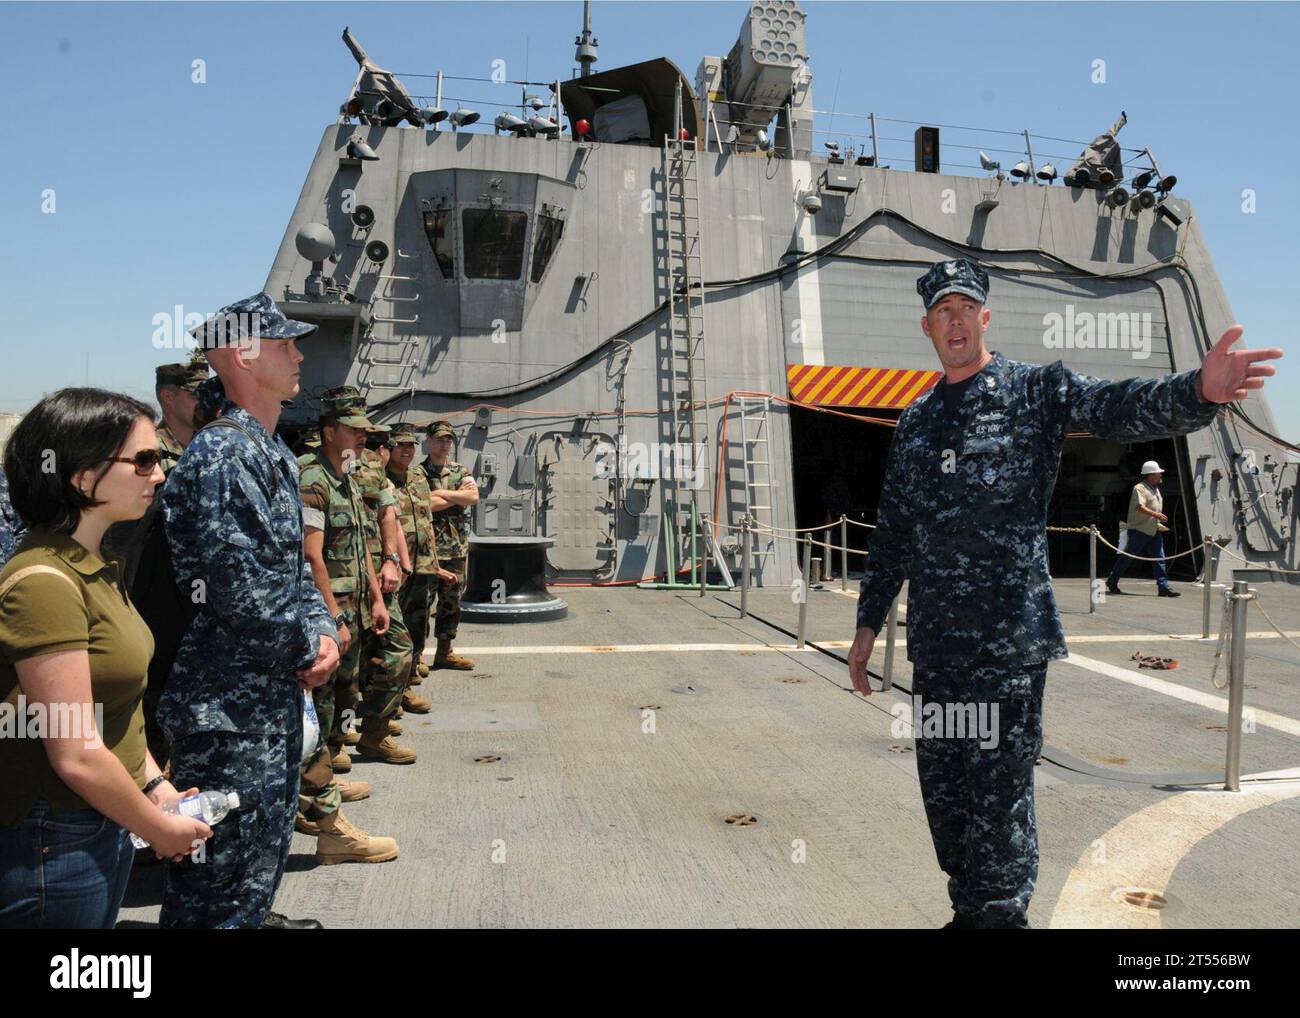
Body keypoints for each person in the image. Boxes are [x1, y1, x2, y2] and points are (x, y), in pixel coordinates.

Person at [847, 258, 1282, 929]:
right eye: (943, 311)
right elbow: (895, 528)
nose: (955, 320)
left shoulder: (1034, 393)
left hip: (1006, 648)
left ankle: (998, 921)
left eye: (967, 307)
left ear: (986, 317)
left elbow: (1119, 407)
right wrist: (868, 622)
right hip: (936, 650)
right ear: (927, 326)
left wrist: (1200, 389)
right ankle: (969, 914)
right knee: (948, 798)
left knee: (998, 799)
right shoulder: (917, 422)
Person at [158, 292, 340, 929]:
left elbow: (289, 575)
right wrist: (307, 648)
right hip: (228, 711)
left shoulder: (268, 451)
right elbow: (244, 595)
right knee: (220, 883)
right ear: (242, 354)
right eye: (284, 343)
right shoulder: (225, 456)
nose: (297, 354)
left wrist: (320, 630)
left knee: (253, 868)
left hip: (260, 702)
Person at [0, 388, 211, 928]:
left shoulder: (94, 565)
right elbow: (75, 751)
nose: (157, 475)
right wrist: (158, 827)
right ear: (80, 475)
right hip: (56, 836)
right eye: (142, 460)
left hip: (100, 820)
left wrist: (154, 786)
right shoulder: (45, 582)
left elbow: (113, 708)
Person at [295, 392, 399, 863]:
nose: (361, 434)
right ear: (330, 431)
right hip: (329, 612)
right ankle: (315, 808)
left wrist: (377, 600)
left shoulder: (351, 477)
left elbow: (364, 549)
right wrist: (332, 616)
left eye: (364, 429)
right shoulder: (312, 477)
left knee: (343, 695)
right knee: (314, 710)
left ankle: (323, 787)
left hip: (358, 604)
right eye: (353, 427)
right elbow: (311, 555)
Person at [386, 427, 458, 692]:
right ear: (389, 448)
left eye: (411, 446)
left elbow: (426, 521)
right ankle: (394, 685)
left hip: (423, 565)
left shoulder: (417, 476)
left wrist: (435, 564)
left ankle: (411, 673)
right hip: (397, 566)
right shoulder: (382, 480)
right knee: (396, 625)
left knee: (418, 622)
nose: (407, 450)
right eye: (401, 445)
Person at [423, 420, 479, 670]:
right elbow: (424, 505)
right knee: (421, 605)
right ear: (429, 441)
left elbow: (473, 498)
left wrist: (441, 495)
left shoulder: (460, 471)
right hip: (426, 549)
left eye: (448, 440)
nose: (444, 443)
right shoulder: (418, 474)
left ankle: (444, 653)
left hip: (456, 549)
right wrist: (455, 497)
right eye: (439, 439)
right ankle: (415, 659)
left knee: (451, 603)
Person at [1106, 460, 1178, 597]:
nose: (1160, 475)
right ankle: (1112, 580)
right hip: (1139, 530)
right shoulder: (1140, 488)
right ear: (1151, 475)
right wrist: (1156, 514)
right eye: (1158, 473)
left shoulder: (1155, 488)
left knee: (1159, 558)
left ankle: (1163, 587)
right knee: (1128, 557)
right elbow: (1140, 507)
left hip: (1153, 529)